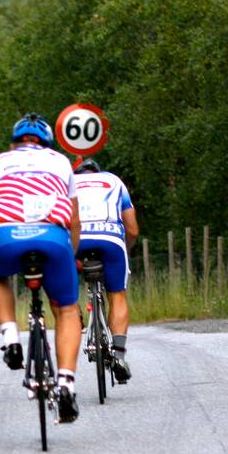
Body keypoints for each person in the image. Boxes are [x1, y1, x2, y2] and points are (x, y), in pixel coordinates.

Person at [0, 113, 81, 423]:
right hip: (52, 239)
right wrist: (69, 256)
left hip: (8, 237)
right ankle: (65, 383)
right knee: (66, 310)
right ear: (46, 143)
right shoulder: (62, 162)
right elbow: (74, 221)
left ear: (15, 142)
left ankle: (10, 335)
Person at [73, 158, 140, 381]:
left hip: (76, 239)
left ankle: (73, 314)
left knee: (65, 290)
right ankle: (119, 354)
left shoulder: (67, 182)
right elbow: (132, 229)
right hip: (109, 238)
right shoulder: (114, 181)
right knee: (117, 295)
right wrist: (125, 250)